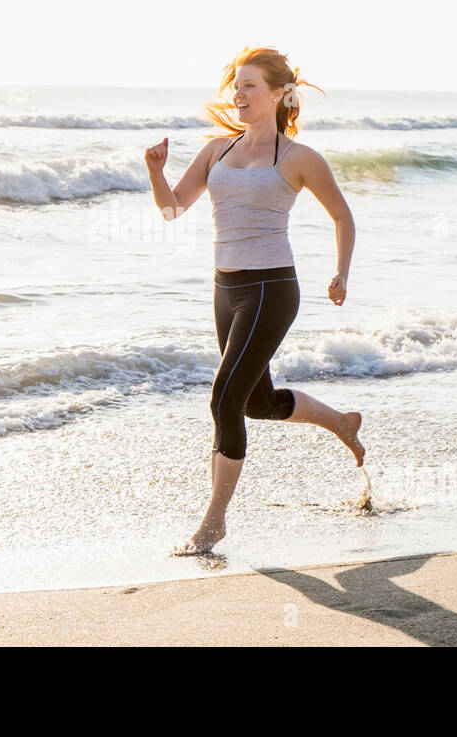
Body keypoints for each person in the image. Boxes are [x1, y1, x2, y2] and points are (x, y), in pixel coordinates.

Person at [144, 46, 366, 557]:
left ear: (277, 94)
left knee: (224, 398)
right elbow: (173, 210)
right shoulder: (216, 151)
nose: (238, 95)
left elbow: (342, 216)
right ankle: (340, 422)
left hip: (272, 289)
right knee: (254, 402)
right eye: (235, 86)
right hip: (226, 288)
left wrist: (341, 273)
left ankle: (213, 523)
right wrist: (157, 171)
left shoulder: (298, 158)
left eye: (249, 86)